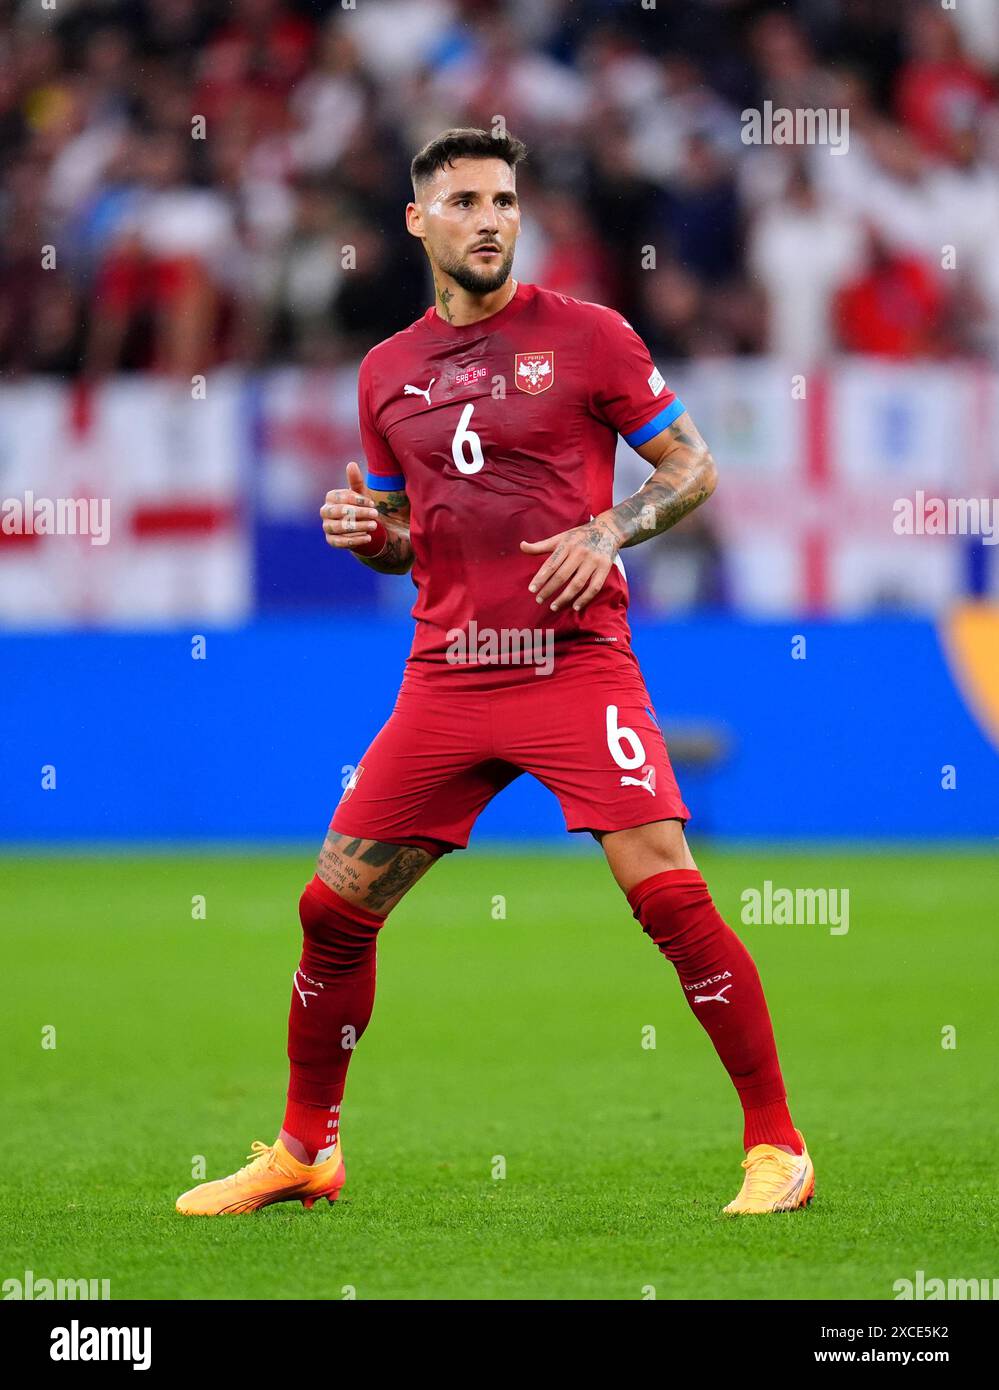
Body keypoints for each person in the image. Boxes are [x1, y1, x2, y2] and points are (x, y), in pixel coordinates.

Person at [176, 128, 813, 1218]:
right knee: (331, 911)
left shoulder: (590, 336)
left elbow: (693, 465)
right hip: (449, 675)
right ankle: (303, 1150)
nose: (490, 219)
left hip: (575, 664)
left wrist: (610, 528)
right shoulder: (385, 372)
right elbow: (400, 531)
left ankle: (777, 1146)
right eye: (465, 201)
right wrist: (361, 532)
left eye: (505, 200)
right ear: (419, 221)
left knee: (666, 890)